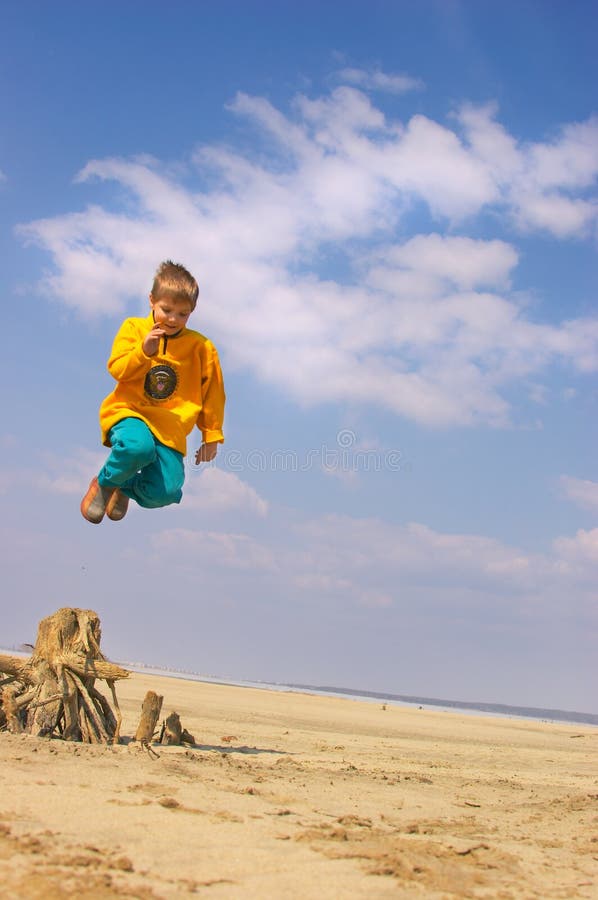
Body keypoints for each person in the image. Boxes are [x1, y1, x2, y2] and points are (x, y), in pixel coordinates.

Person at [80, 260, 225, 524]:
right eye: (166, 310)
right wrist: (143, 352)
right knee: (138, 447)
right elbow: (117, 369)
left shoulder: (201, 347)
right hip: (130, 413)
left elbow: (213, 392)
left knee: (166, 491)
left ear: (192, 310)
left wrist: (211, 435)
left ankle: (123, 487)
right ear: (151, 300)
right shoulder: (134, 329)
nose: (173, 319)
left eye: (183, 314)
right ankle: (104, 482)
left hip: (170, 429)